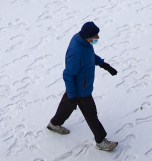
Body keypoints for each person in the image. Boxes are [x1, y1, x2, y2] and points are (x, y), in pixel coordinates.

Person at [47, 22, 118, 152]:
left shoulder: (83, 42)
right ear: (88, 36)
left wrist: (104, 65)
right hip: (81, 91)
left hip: (80, 86)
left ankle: (54, 124)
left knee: (66, 105)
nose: (98, 37)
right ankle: (101, 141)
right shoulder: (76, 52)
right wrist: (73, 96)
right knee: (91, 114)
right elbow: (68, 75)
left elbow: (89, 56)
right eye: (95, 35)